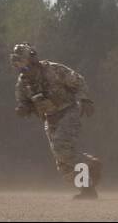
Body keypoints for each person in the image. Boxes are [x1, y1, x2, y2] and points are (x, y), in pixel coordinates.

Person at [11, 43, 101, 200]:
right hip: (50, 118)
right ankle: (90, 165)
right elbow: (23, 102)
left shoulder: (53, 70)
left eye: (23, 64)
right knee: (63, 164)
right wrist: (24, 108)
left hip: (68, 111)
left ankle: (88, 189)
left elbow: (78, 81)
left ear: (32, 60)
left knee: (61, 146)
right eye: (17, 65)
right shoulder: (23, 82)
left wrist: (85, 99)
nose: (21, 69)